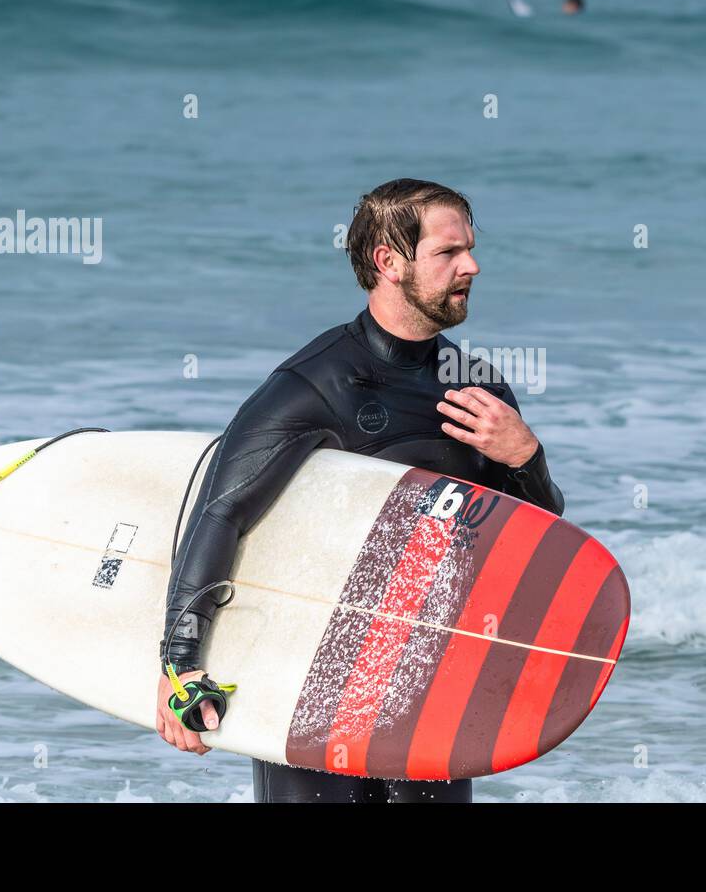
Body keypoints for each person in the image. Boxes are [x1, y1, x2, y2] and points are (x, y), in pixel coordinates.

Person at [155, 179, 566, 803]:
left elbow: (535, 536)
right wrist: (180, 664)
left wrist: (526, 458)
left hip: (429, 681)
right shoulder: (316, 382)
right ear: (388, 262)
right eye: (449, 253)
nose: (472, 266)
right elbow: (221, 513)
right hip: (310, 677)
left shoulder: (478, 387)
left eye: (471, 250)